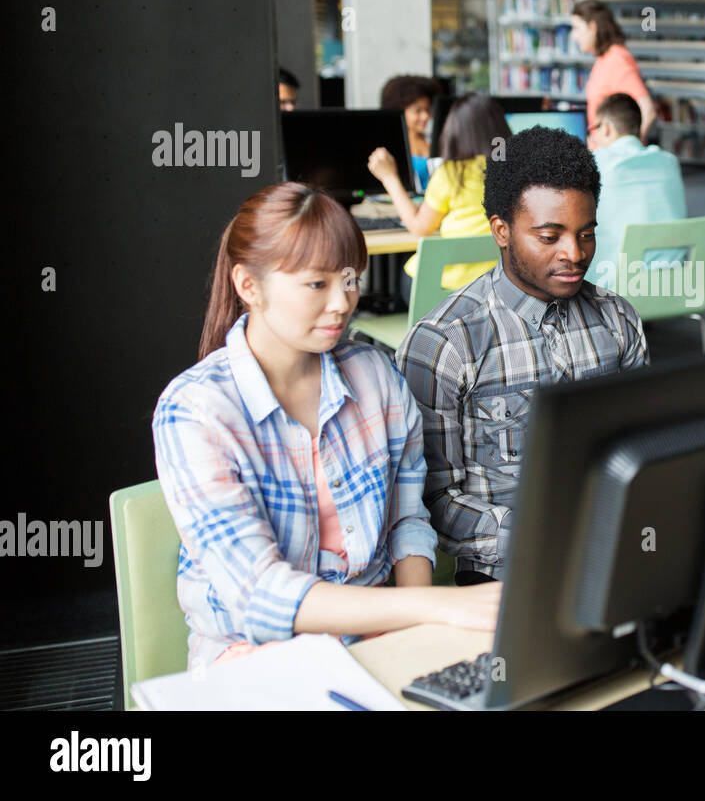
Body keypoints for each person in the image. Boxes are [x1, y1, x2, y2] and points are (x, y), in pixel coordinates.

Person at [152, 182, 500, 669]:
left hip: (378, 638)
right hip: (253, 659)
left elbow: (408, 521)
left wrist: (417, 638)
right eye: (318, 284)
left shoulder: (378, 376)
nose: (342, 302)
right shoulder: (196, 410)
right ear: (249, 286)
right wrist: (432, 606)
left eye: (350, 279)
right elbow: (261, 594)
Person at [395, 127, 648, 585]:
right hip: (508, 575)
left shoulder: (618, 319)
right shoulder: (445, 344)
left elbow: (645, 444)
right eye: (550, 236)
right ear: (501, 231)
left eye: (586, 234)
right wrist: (550, 536)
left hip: (615, 552)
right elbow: (433, 500)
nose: (574, 253)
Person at [368, 92, 509, 293]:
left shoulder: (451, 172)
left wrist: (389, 177)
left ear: (455, 131)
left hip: (446, 288)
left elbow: (419, 228)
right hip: (496, 283)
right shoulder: (516, 171)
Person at [586, 92, 687, 290]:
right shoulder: (669, 162)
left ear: (605, 128)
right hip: (675, 286)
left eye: (594, 128)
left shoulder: (597, 163)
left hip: (615, 288)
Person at [570, 0, 655, 142]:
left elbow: (648, 111)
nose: (573, 36)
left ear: (592, 27)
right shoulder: (603, 60)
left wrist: (630, 151)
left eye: (577, 28)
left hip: (614, 161)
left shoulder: (617, 60)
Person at [378, 74, 442, 190]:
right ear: (399, 111)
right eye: (417, 111)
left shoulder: (436, 141)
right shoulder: (389, 148)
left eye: (427, 109)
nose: (425, 116)